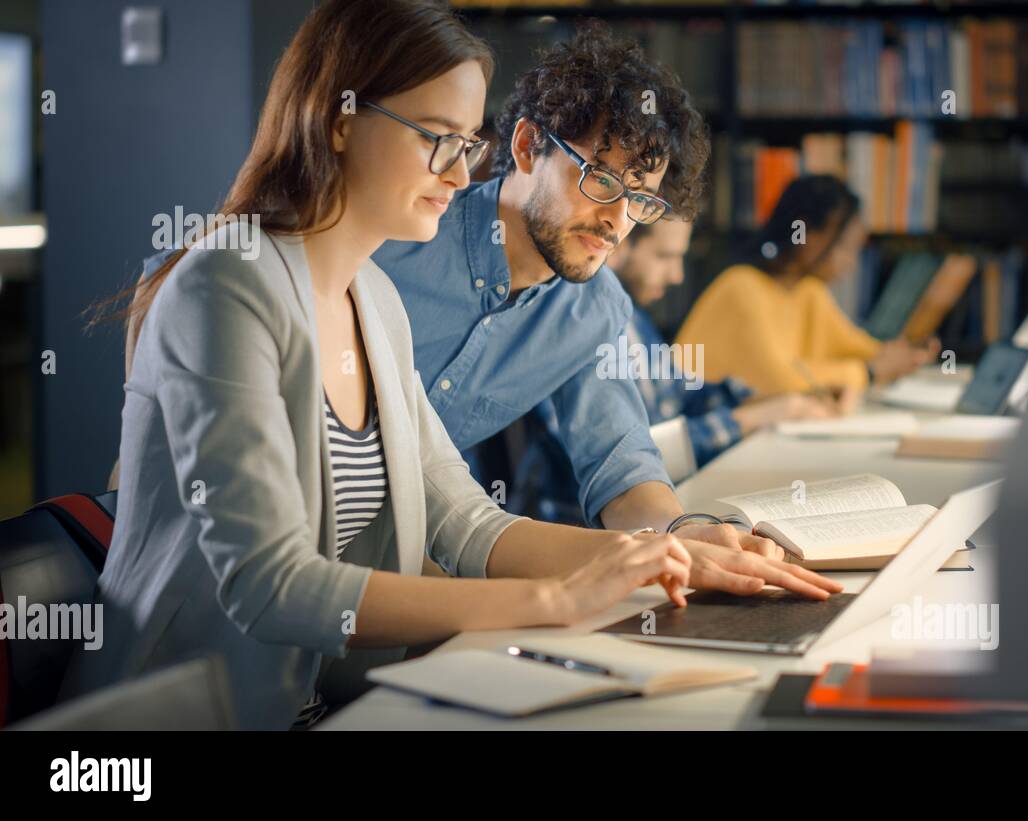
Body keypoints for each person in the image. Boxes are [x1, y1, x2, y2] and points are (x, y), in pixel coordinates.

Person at [69, 0, 840, 731]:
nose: (458, 168)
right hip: (182, 708)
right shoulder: (248, 279)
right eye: (436, 135)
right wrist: (554, 598)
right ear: (339, 124)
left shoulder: (371, 297)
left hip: (329, 688)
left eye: (466, 142)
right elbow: (273, 584)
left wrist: (663, 550)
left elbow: (472, 518)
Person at [372, 24, 820, 575]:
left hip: (414, 553)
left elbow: (618, 461)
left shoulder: (595, 306)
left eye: (640, 200)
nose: (617, 221)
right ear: (527, 147)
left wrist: (681, 534)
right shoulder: (398, 236)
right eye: (602, 181)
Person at [517, 217, 836, 524]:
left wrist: (762, 401)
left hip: (645, 514)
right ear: (618, 243)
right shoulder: (579, 323)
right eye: (664, 257)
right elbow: (629, 459)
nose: (677, 276)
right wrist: (748, 420)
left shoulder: (635, 321)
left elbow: (681, 393)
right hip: (579, 527)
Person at [675, 175, 939, 403]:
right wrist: (869, 373)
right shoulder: (741, 287)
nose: (852, 264)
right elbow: (781, 384)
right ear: (807, 234)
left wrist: (904, 353)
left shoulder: (807, 291)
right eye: (846, 247)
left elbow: (858, 347)